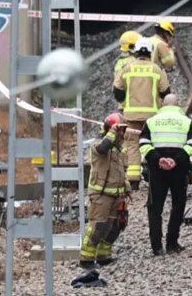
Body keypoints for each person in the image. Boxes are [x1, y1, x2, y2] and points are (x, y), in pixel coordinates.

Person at [138, 94, 192, 256]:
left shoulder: (151, 121)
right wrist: (175, 161)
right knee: (178, 205)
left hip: (156, 171)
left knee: (155, 207)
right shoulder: (186, 122)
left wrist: (158, 160)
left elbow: (143, 143)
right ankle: (172, 243)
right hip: (179, 170)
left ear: (162, 105)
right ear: (177, 105)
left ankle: (156, 246)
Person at [113, 37, 170, 189]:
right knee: (153, 145)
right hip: (152, 117)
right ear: (150, 53)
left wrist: (125, 100)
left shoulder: (127, 68)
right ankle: (153, 176)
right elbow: (166, 92)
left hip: (131, 116)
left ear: (136, 52)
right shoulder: (157, 69)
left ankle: (134, 180)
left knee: (132, 146)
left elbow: (117, 90)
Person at [80, 113, 128, 268]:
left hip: (116, 195)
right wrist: (112, 132)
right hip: (101, 195)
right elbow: (102, 148)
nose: (122, 133)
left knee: (114, 227)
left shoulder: (119, 149)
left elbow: (120, 170)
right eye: (119, 129)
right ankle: (86, 259)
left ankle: (103, 256)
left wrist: (126, 186)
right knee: (97, 227)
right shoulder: (98, 144)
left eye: (122, 130)